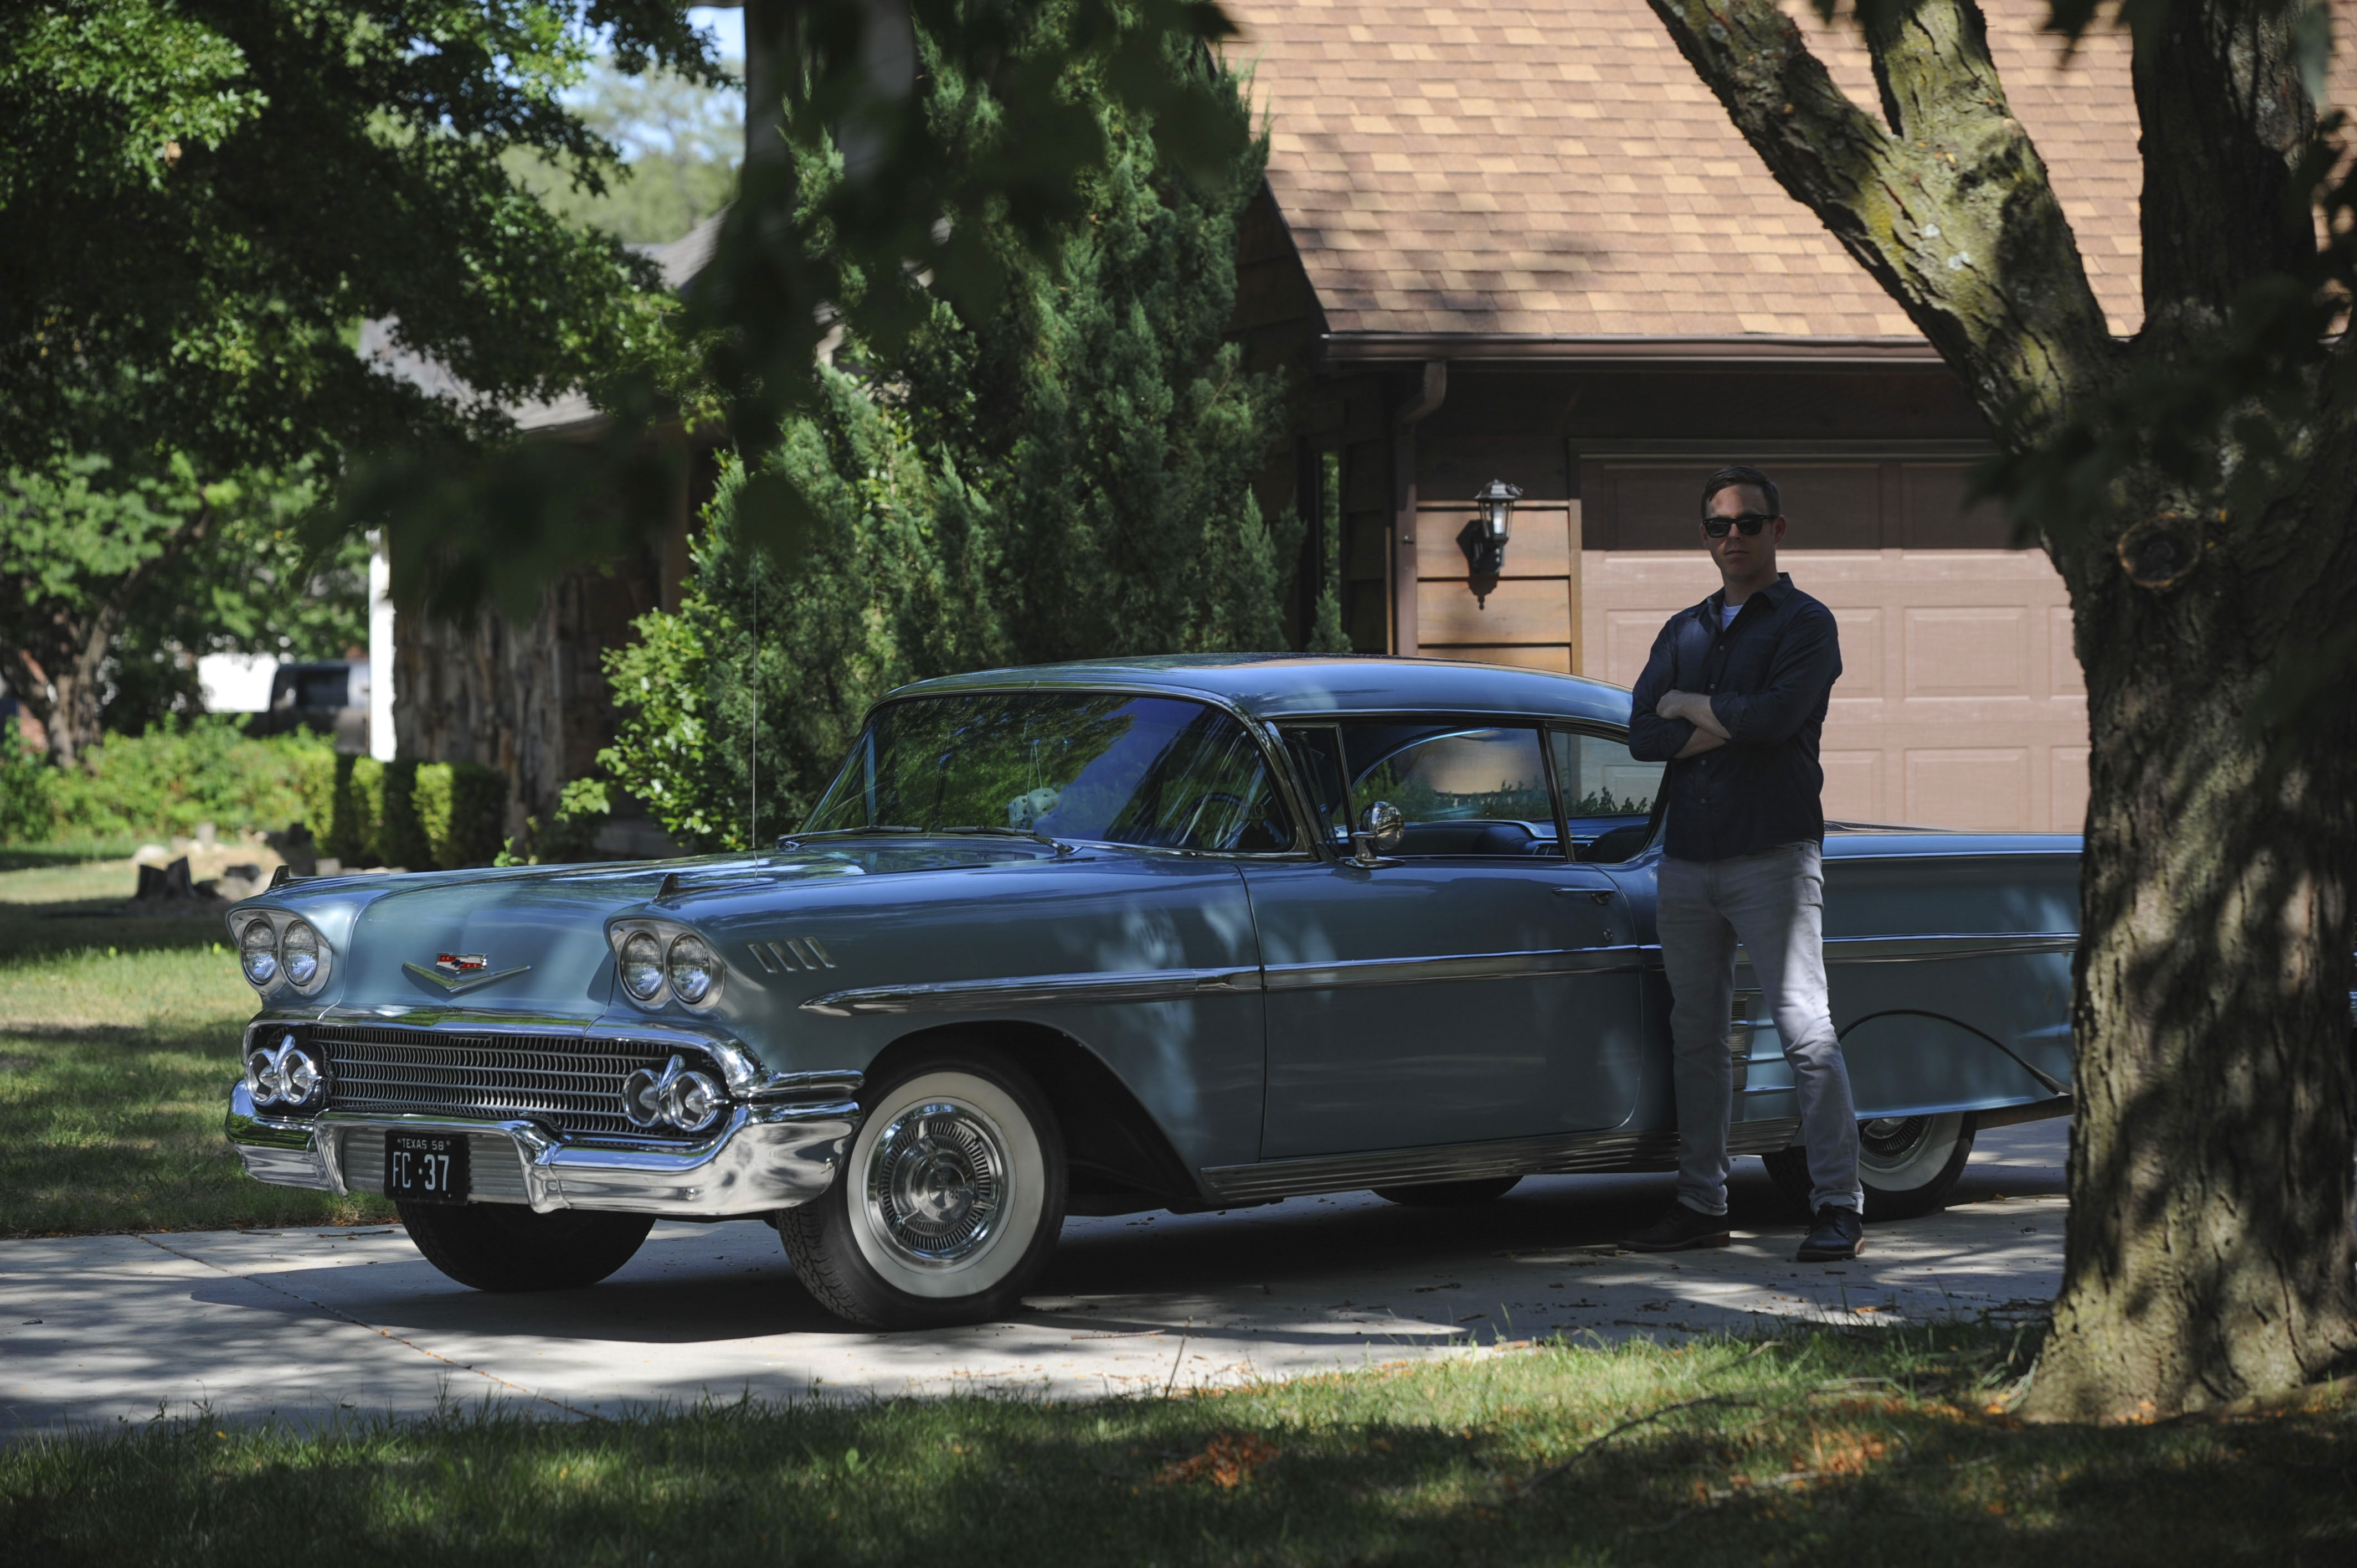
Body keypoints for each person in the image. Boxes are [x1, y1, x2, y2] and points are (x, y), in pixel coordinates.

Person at [1618, 465, 1864, 1263]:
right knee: (1697, 1036)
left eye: (1749, 524)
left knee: (1805, 1030)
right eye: (1720, 525)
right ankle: (1702, 1203)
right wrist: (1727, 720)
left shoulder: (1805, 623)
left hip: (1774, 854)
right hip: (1687, 859)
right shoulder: (1684, 630)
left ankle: (1836, 1205)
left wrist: (1690, 705)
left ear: (1777, 531)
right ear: (1704, 537)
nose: (1733, 537)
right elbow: (1640, 734)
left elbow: (1778, 717)